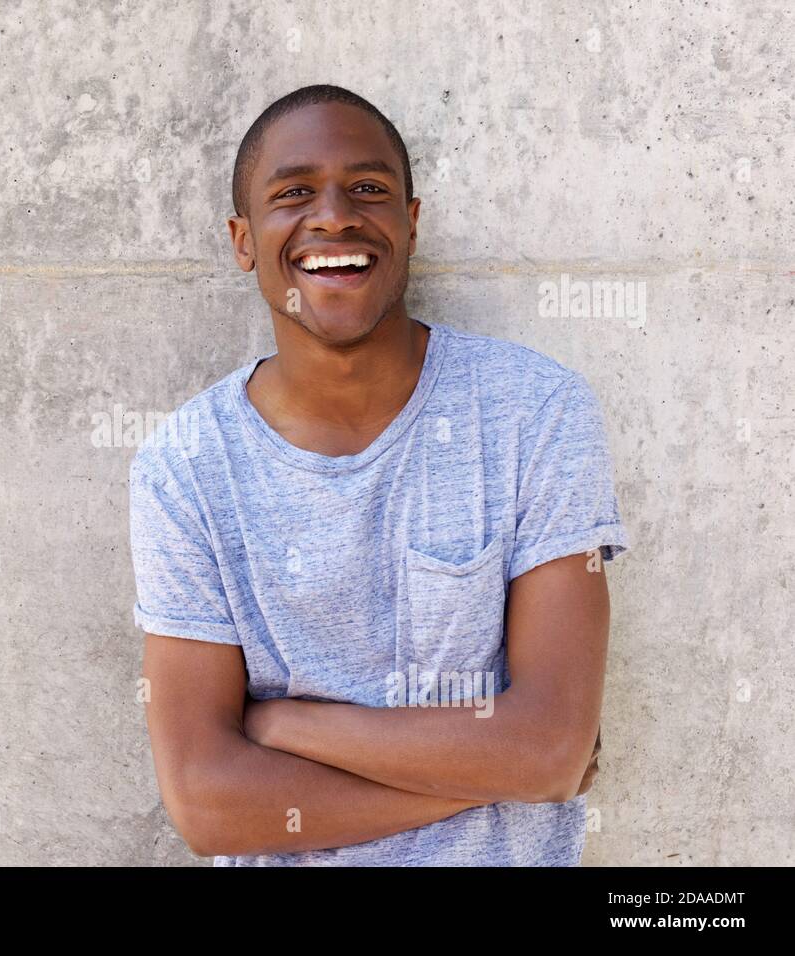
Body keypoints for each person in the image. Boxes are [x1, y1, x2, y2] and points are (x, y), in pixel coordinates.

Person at [129, 84, 629, 865]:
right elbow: (206, 802)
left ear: (411, 223)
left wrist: (285, 723)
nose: (333, 215)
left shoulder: (532, 413)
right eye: (294, 193)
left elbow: (553, 746)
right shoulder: (185, 467)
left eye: (368, 189)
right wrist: (508, 767)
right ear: (242, 239)